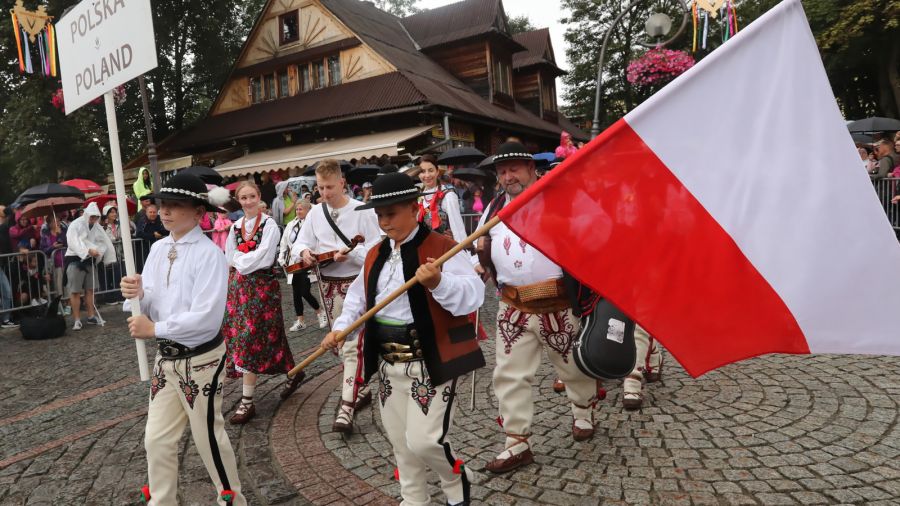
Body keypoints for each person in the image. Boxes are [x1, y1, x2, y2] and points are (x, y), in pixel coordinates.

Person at [321, 172, 484, 506]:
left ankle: (455, 478)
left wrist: (439, 282)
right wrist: (341, 326)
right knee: (401, 444)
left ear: (414, 208)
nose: (384, 222)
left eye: (391, 213)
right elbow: (357, 298)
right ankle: (413, 500)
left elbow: (474, 295)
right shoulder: (375, 253)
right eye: (379, 215)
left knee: (424, 441)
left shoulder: (441, 248)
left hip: (432, 360)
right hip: (388, 364)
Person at [119, 173, 246, 506]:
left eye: (175, 206)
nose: (165, 212)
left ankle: (232, 501)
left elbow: (206, 318)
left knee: (208, 438)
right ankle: (161, 502)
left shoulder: (210, 255)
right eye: (163, 205)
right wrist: (137, 294)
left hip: (201, 361)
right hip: (166, 361)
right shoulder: (159, 248)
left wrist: (155, 329)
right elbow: (148, 302)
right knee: (156, 439)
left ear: (198, 212)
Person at [476, 142, 601, 474]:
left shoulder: (557, 198)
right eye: (502, 171)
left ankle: (583, 411)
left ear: (532, 169)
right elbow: (482, 243)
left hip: (558, 304)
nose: (507, 176)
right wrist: (482, 261)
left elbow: (590, 234)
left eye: (514, 168)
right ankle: (517, 441)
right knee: (509, 374)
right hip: (513, 306)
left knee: (572, 366)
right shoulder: (493, 208)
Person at [290, 159, 382, 433]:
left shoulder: (363, 211)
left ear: (342, 183)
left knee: (351, 344)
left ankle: (346, 406)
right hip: (326, 285)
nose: (325, 193)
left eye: (329, 187)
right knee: (340, 345)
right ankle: (359, 388)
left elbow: (378, 248)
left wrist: (352, 253)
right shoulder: (316, 213)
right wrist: (305, 253)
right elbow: (300, 243)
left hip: (355, 284)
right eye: (320, 187)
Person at [223, 181, 302, 425]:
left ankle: (247, 402)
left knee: (256, 336)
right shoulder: (235, 226)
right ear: (238, 200)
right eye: (243, 198)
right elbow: (229, 256)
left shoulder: (269, 225)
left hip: (262, 288)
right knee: (253, 335)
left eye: (251, 196)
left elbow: (266, 256)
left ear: (259, 197)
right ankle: (293, 372)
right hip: (239, 289)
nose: (247, 201)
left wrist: (242, 262)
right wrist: (243, 261)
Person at [65, 202, 116, 330]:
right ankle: (77, 319)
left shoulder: (96, 226)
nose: (93, 219)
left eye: (95, 217)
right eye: (91, 217)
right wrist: (87, 250)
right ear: (87, 215)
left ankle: (91, 316)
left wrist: (100, 251)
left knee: (90, 290)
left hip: (90, 260)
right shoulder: (76, 224)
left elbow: (104, 240)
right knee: (75, 291)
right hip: (75, 259)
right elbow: (73, 242)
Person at [417, 155, 475, 265]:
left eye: (430, 170)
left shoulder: (448, 195)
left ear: (437, 171)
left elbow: (458, 228)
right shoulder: (419, 197)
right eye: (423, 171)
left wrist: (466, 258)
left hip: (445, 252)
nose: (427, 175)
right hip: (424, 252)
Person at [278, 199, 324, 331]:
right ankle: (300, 320)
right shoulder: (291, 224)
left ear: (308, 210)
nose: (298, 211)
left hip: (307, 262)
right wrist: (282, 258)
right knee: (296, 293)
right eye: (297, 209)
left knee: (305, 291)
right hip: (293, 263)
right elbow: (284, 242)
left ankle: (320, 312)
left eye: (301, 209)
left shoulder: (313, 224)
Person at [40, 212, 69, 313]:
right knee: (58, 286)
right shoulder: (45, 234)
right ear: (49, 223)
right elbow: (43, 250)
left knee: (67, 286)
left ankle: (68, 305)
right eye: (54, 221)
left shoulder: (64, 230)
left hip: (65, 261)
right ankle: (59, 306)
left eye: (58, 220)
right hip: (54, 264)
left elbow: (67, 243)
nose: (57, 223)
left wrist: (60, 233)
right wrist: (53, 247)